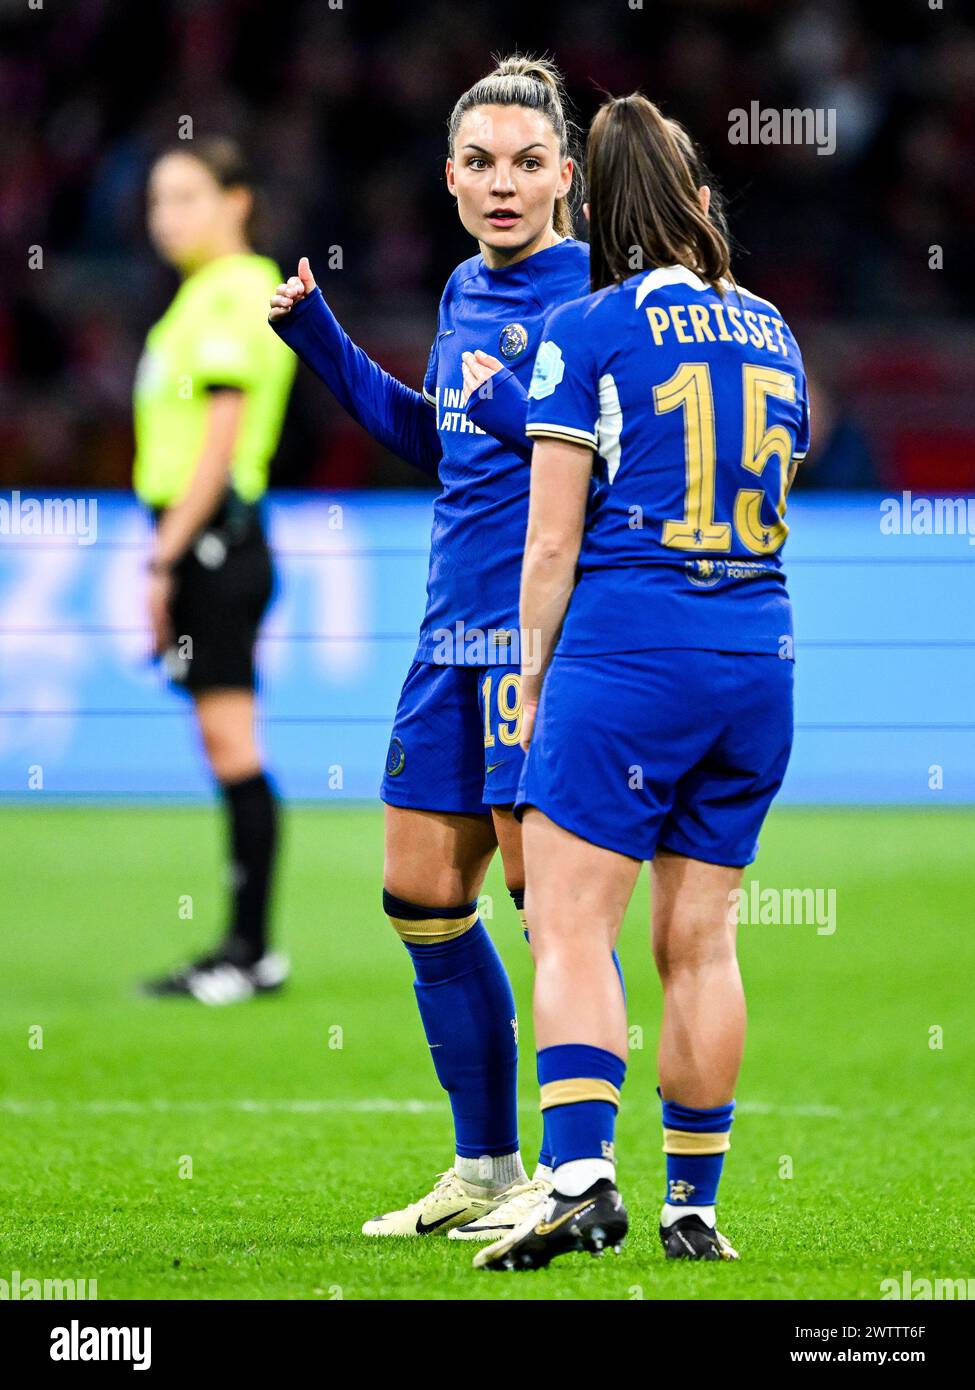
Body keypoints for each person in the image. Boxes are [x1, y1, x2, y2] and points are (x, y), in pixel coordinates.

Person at [270, 57, 624, 1238]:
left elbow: (611, 463)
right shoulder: (467, 294)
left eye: (529, 162)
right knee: (420, 895)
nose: (503, 183)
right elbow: (438, 439)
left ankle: (576, 1175)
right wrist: (316, 336)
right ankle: (482, 1167)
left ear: (568, 177)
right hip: (445, 640)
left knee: (550, 909)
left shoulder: (601, 298)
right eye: (481, 162)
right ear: (452, 179)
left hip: (541, 643)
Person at [476, 94, 809, 1272]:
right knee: (703, 942)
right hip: (756, 653)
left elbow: (553, 542)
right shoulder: (775, 327)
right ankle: (692, 1206)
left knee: (569, 924)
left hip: (630, 648)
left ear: (596, 210)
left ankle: (576, 1178)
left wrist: (527, 671)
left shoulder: (589, 324)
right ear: (699, 205)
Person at [134, 138, 296, 1004]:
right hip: (206, 540)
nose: (169, 216)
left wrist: (163, 559)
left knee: (233, 743)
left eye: (189, 195)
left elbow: (221, 441)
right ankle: (247, 945)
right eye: (159, 200)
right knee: (222, 740)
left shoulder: (236, 290)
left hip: (212, 541)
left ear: (237, 199)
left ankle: (249, 949)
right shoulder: (199, 296)